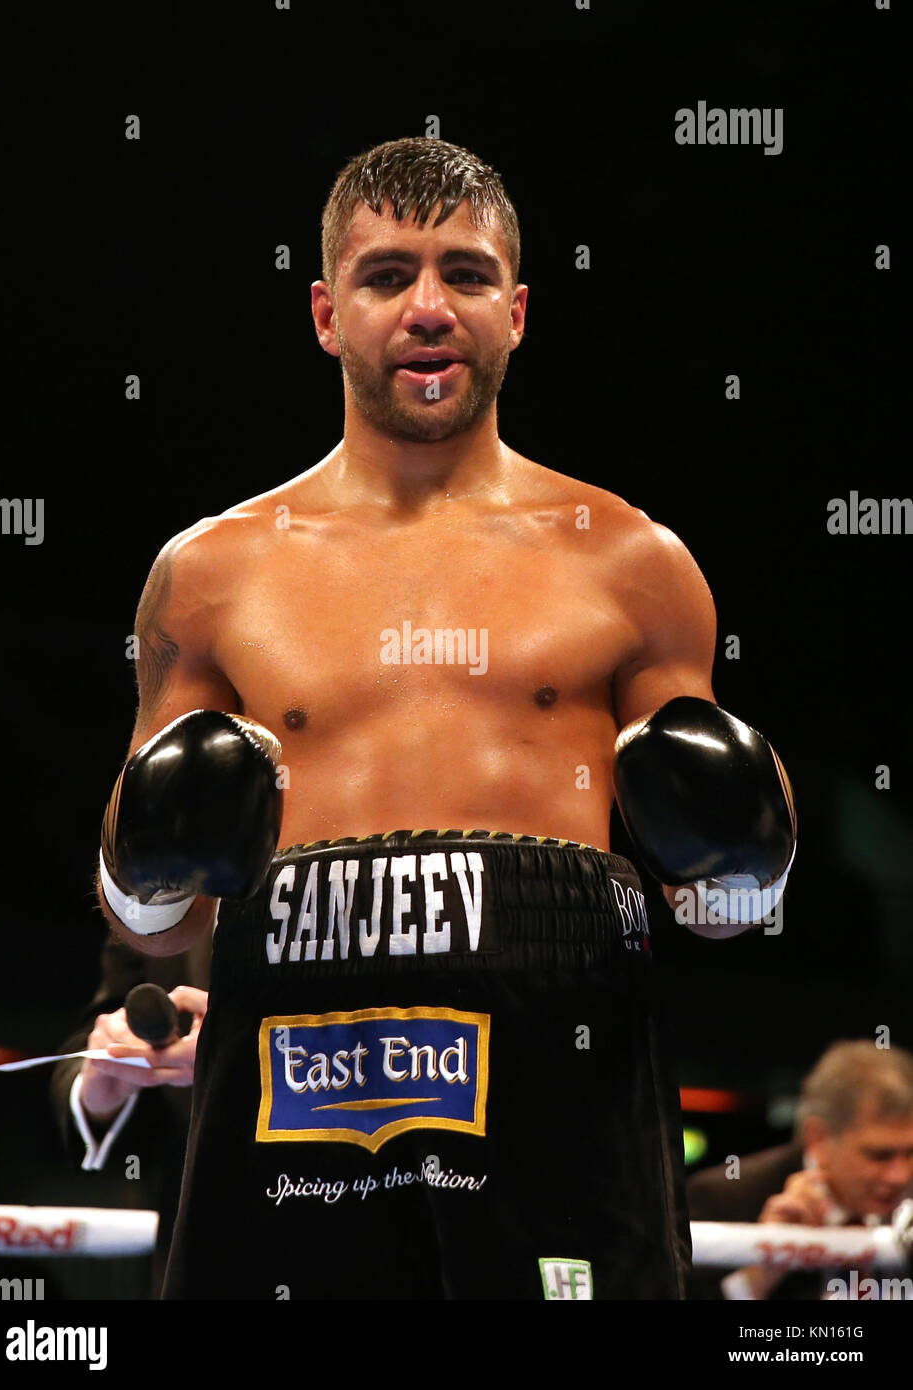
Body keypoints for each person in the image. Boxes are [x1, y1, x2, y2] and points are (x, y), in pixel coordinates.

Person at [93, 136, 796, 1299]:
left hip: (555, 1021)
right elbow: (155, 918)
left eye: (465, 275)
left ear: (517, 311)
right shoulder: (211, 572)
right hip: (296, 1036)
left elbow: (720, 905)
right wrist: (148, 846)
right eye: (386, 277)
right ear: (327, 312)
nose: (428, 308)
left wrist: (746, 854)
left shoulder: (632, 561)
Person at [687, 1040, 913, 1299]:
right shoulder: (726, 1197)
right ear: (818, 1139)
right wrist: (767, 1260)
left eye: (910, 1153)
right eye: (879, 1156)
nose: (901, 1175)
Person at [50, 934, 211, 1291]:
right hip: (194, 1253)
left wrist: (247, 1045)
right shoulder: (151, 890)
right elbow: (99, 1028)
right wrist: (103, 1087)